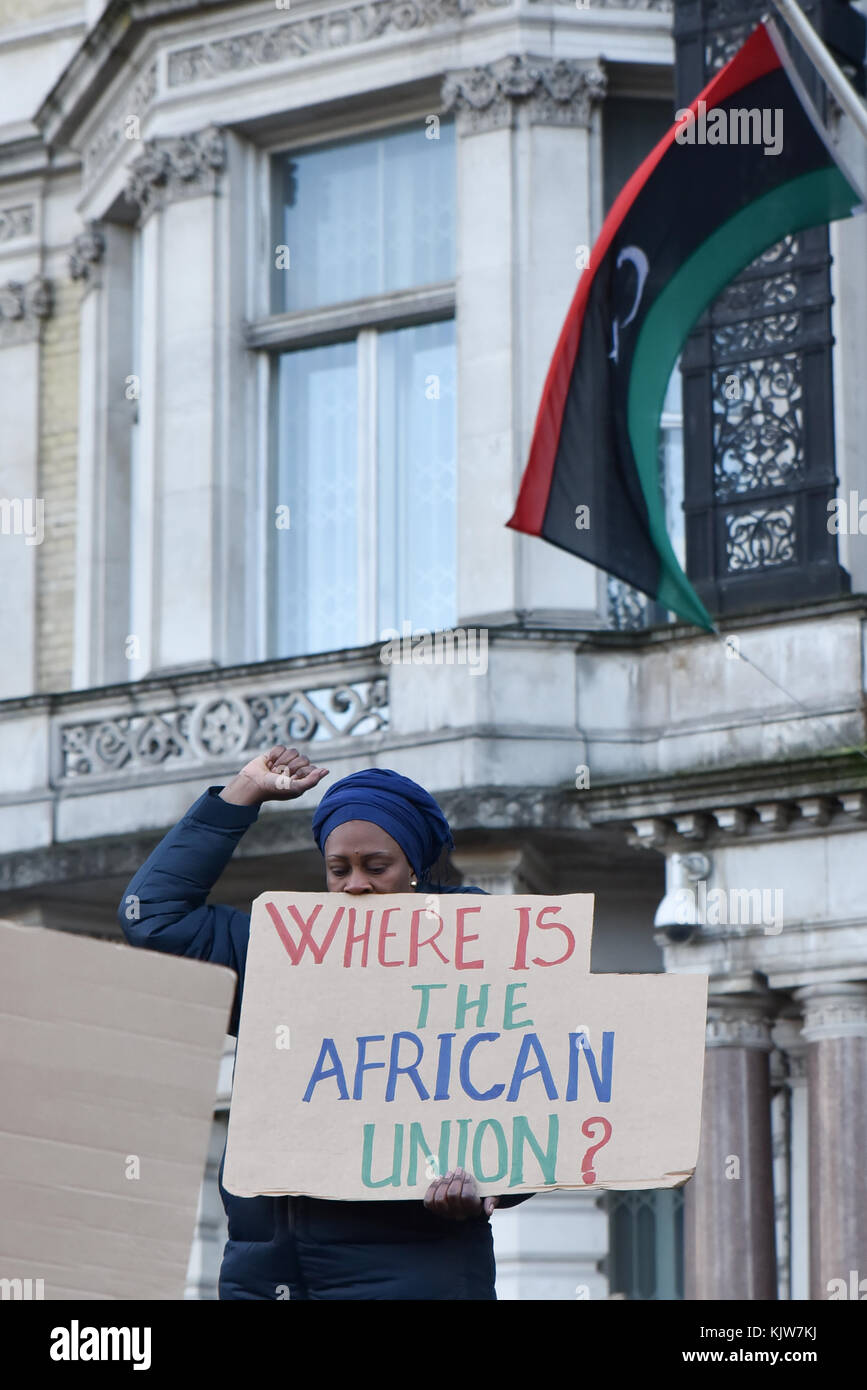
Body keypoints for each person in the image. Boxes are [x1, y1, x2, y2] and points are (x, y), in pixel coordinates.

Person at [118, 744, 533, 1300]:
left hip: (414, 1274)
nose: (355, 885)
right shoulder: (279, 952)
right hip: (267, 1273)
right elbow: (151, 915)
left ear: (414, 869)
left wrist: (492, 1187)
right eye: (338, 870)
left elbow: (537, 1102)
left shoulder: (480, 956)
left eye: (376, 867)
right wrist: (244, 791)